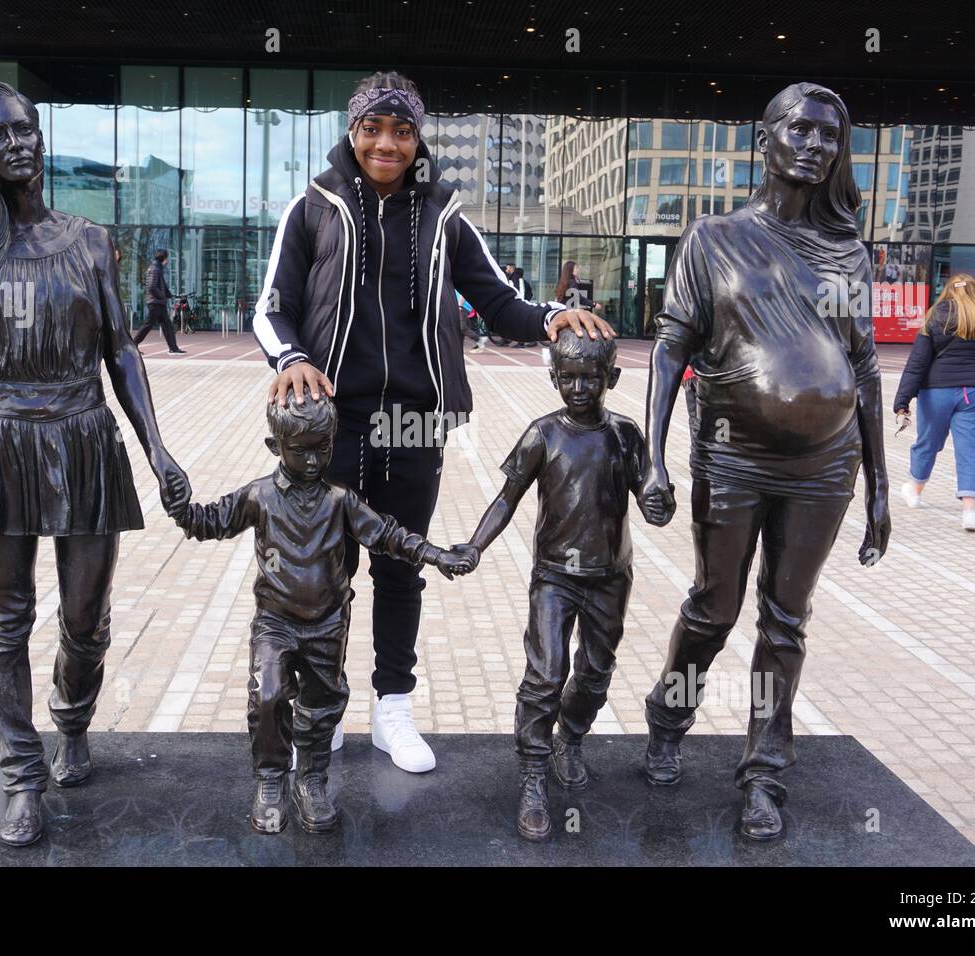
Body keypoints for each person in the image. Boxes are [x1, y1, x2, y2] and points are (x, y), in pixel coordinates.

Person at [251, 69, 613, 774]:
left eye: (402, 130)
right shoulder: (312, 208)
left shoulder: (445, 215)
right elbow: (271, 306)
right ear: (352, 133)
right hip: (332, 425)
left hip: (413, 423)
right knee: (326, 571)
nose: (387, 143)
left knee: (399, 568)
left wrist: (550, 317)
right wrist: (291, 357)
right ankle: (319, 709)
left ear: (417, 139)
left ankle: (393, 710)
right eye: (373, 129)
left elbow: (499, 302)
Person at [0, 82, 191, 847]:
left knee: (84, 619)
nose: (20, 143)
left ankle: (73, 719)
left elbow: (121, 348)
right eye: (0, 135)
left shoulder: (89, 242)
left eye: (28, 130)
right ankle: (22, 779)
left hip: (82, 436)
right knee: (7, 622)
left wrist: (156, 448)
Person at [640, 82, 891, 842]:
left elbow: (868, 368)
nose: (816, 146)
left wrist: (881, 485)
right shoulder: (712, 239)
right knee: (713, 609)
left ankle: (763, 772)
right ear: (766, 137)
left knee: (787, 621)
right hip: (733, 456)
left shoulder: (849, 250)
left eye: (830, 136)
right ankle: (669, 714)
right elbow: (670, 347)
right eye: (802, 130)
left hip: (826, 467)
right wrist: (653, 460)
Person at [169, 390, 471, 834]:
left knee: (321, 705)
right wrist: (180, 506)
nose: (313, 461)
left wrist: (433, 554)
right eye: (301, 450)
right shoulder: (258, 496)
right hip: (275, 621)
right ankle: (271, 780)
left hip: (328, 623)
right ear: (276, 448)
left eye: (323, 448)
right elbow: (210, 521)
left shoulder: (340, 499)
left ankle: (311, 781)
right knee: (267, 695)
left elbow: (386, 534)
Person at [455, 332, 645, 842]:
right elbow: (506, 498)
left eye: (590, 378)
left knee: (595, 673)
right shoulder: (542, 434)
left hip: (609, 576)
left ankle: (572, 737)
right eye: (568, 378)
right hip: (555, 576)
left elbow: (649, 494)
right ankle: (534, 775)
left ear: (613, 379)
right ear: (554, 378)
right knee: (544, 676)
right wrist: (475, 546)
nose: (579, 387)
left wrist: (661, 501)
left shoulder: (626, 435)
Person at [893, 274, 975, 530]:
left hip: (938, 389)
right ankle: (969, 511)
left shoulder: (934, 317)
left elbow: (917, 363)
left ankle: (915, 491)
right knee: (972, 451)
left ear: (947, 291)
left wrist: (903, 399)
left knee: (928, 442)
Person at [133, 248, 185, 354]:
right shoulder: (154, 269)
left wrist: (169, 294)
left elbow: (162, 285)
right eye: (167, 258)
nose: (168, 261)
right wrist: (162, 296)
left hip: (158, 302)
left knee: (167, 326)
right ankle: (133, 345)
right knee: (148, 325)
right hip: (155, 303)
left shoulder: (157, 268)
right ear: (163, 259)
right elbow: (152, 287)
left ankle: (173, 348)